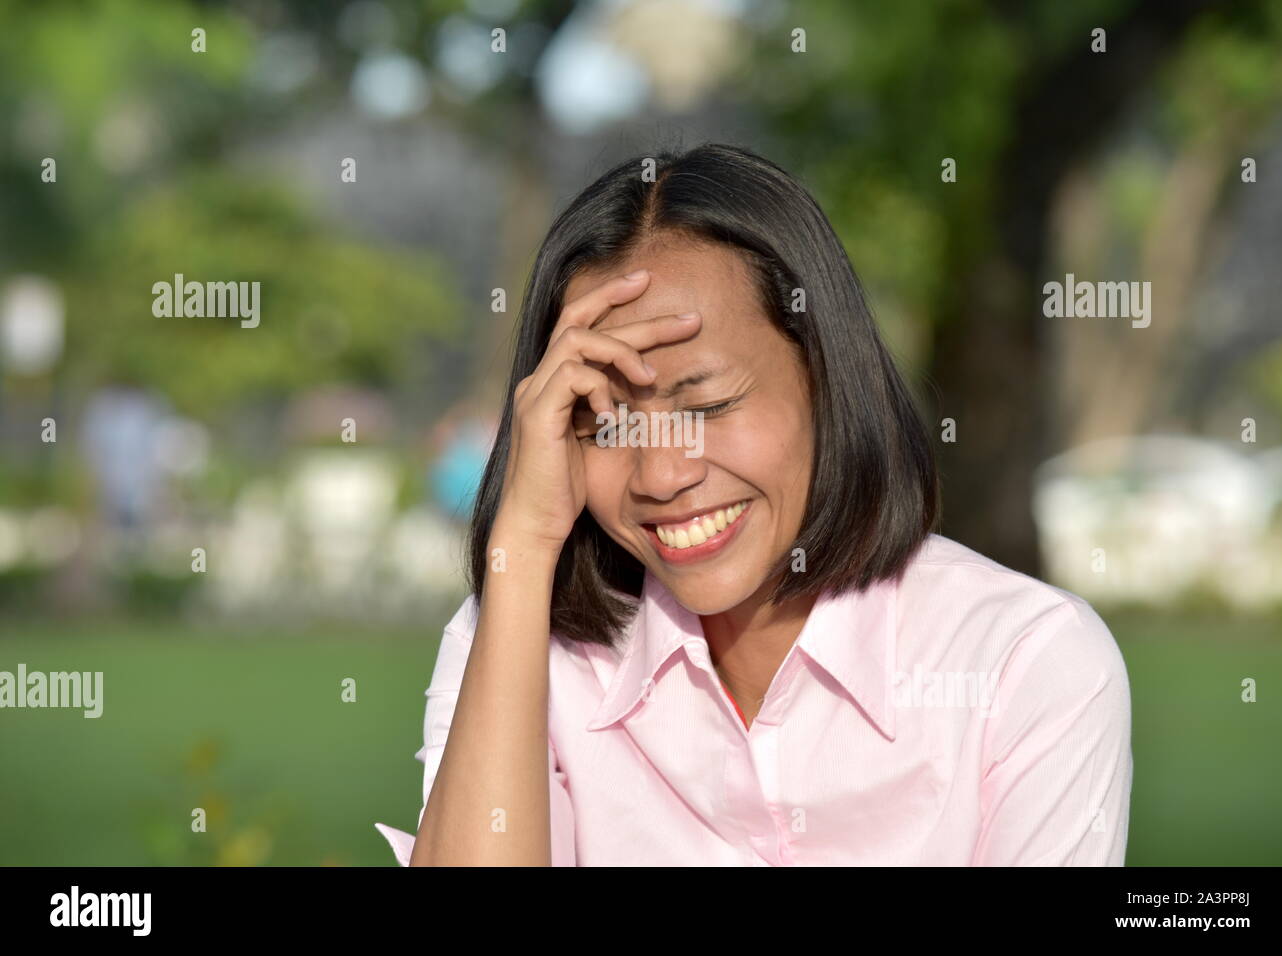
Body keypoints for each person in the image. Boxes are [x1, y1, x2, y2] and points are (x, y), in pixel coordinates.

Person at [374, 142, 1132, 866]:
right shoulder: (518, 634)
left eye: (706, 406)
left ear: (826, 379)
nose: (660, 476)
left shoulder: (1022, 663)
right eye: (606, 423)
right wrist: (527, 540)